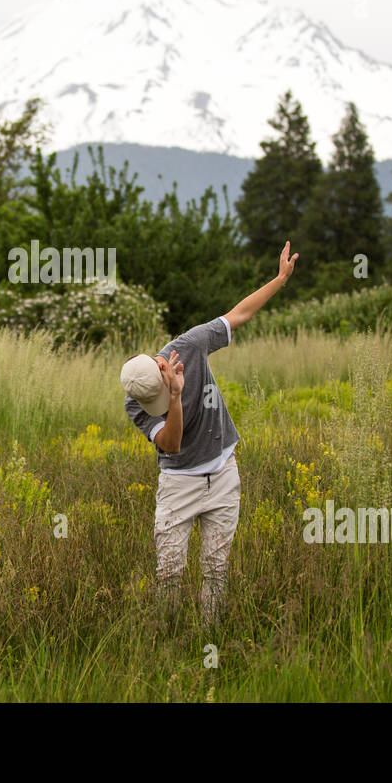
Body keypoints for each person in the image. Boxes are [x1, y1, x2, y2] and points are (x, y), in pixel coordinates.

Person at [121, 241, 299, 621]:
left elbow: (236, 316)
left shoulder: (190, 344)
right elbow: (171, 443)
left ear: (161, 363)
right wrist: (173, 398)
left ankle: (209, 639)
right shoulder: (135, 402)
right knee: (169, 575)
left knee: (216, 575)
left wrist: (280, 279)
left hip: (222, 473)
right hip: (178, 483)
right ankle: (168, 643)